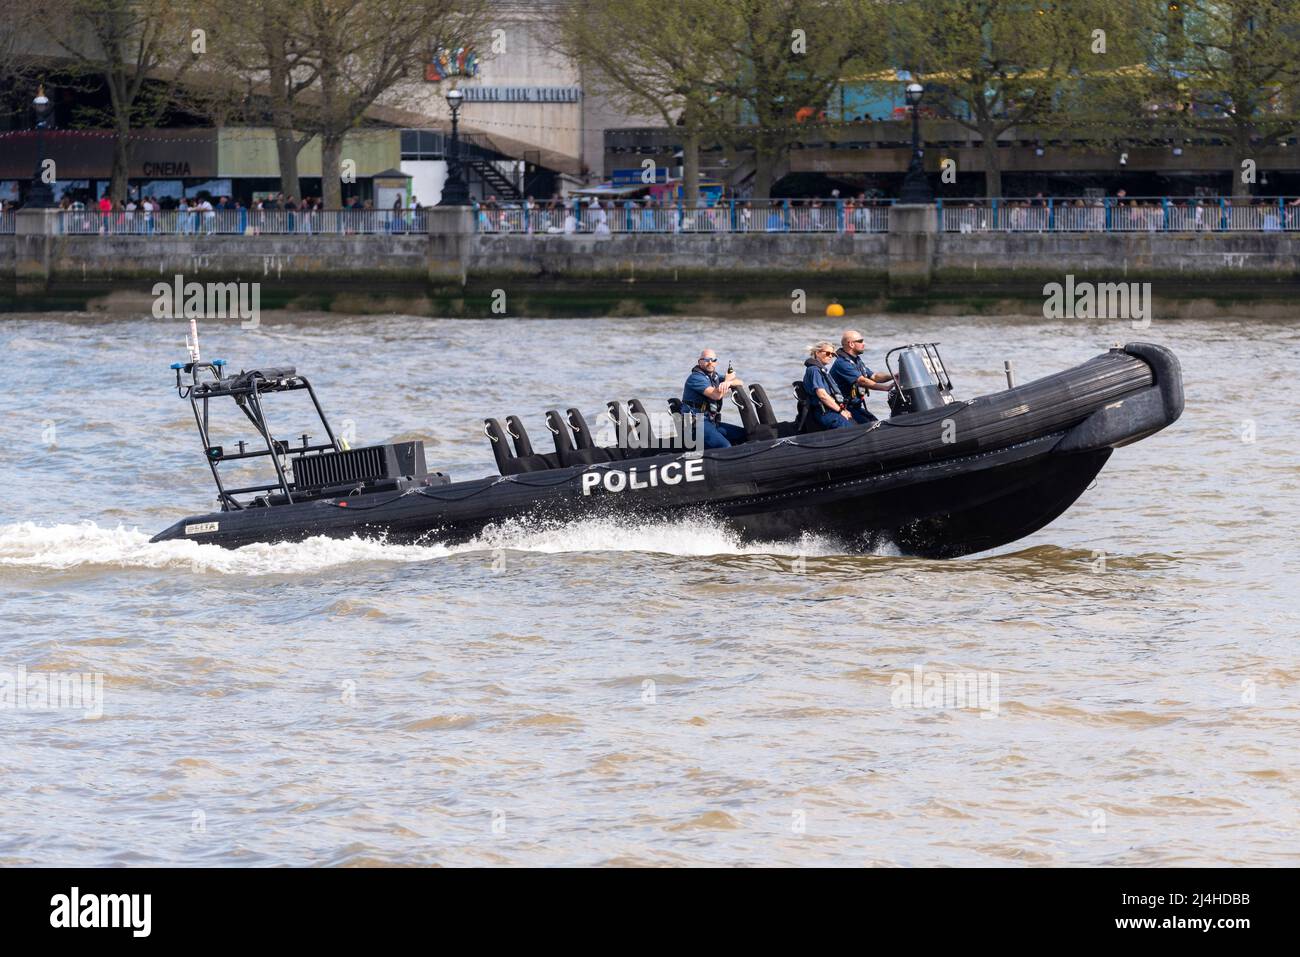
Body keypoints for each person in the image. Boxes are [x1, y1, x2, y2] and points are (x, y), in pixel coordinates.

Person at [682, 349, 746, 448]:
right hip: (696, 424)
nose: (710, 362)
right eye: (707, 360)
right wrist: (728, 380)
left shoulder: (714, 376)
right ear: (700, 362)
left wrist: (728, 382)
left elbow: (740, 382)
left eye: (713, 360)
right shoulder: (695, 378)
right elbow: (716, 395)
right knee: (725, 446)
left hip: (711, 422)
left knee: (743, 435)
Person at [830, 330, 894, 424]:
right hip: (844, 408)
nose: (864, 344)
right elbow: (862, 381)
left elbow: (874, 376)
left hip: (855, 407)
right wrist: (886, 388)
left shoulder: (856, 360)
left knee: (876, 423)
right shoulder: (842, 363)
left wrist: (893, 375)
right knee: (871, 427)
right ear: (851, 344)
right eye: (860, 341)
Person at [803, 342, 853, 430]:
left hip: (832, 410)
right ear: (817, 353)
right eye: (828, 353)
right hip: (825, 413)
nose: (830, 356)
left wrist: (843, 410)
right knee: (849, 429)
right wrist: (841, 411)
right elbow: (822, 395)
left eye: (832, 354)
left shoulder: (823, 371)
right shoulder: (814, 370)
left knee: (855, 425)